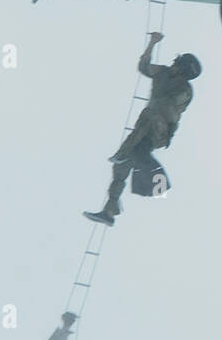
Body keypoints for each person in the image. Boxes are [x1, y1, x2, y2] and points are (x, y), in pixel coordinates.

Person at [84, 33, 201, 226]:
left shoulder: (185, 90)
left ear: (182, 71)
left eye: (177, 64)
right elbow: (144, 67)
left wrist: (163, 123)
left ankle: (126, 155)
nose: (173, 65)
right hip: (146, 129)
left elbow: (171, 110)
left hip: (159, 130)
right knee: (122, 167)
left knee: (148, 115)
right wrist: (152, 43)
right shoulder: (163, 72)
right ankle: (109, 211)